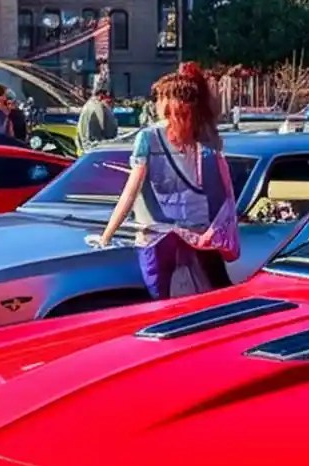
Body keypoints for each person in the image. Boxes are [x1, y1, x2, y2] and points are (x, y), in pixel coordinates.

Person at [96, 62, 238, 298]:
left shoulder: (148, 137)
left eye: (159, 98)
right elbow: (222, 192)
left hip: (158, 236)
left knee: (159, 300)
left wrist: (107, 234)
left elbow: (131, 191)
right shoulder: (205, 137)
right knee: (212, 298)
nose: (155, 103)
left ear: (171, 103)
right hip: (201, 235)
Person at [77, 82, 118, 151]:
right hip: (94, 149)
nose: (111, 103)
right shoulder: (96, 108)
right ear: (101, 96)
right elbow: (102, 132)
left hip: (89, 148)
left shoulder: (92, 105)